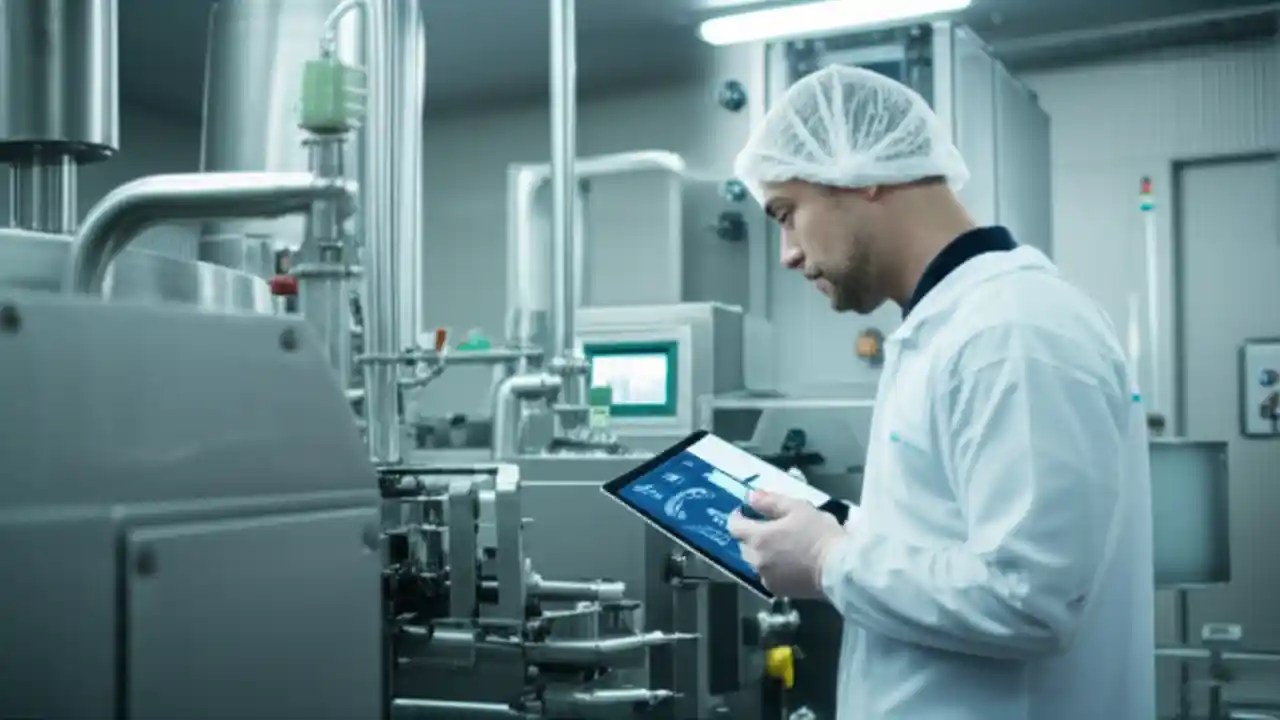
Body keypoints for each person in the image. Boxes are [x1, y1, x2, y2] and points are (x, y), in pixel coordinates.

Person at [725, 65, 1155, 720]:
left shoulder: (1011, 332)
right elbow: (956, 544)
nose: (786, 253)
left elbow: (1030, 601)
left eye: (787, 214)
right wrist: (838, 528)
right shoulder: (949, 327)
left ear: (861, 171)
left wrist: (827, 560)